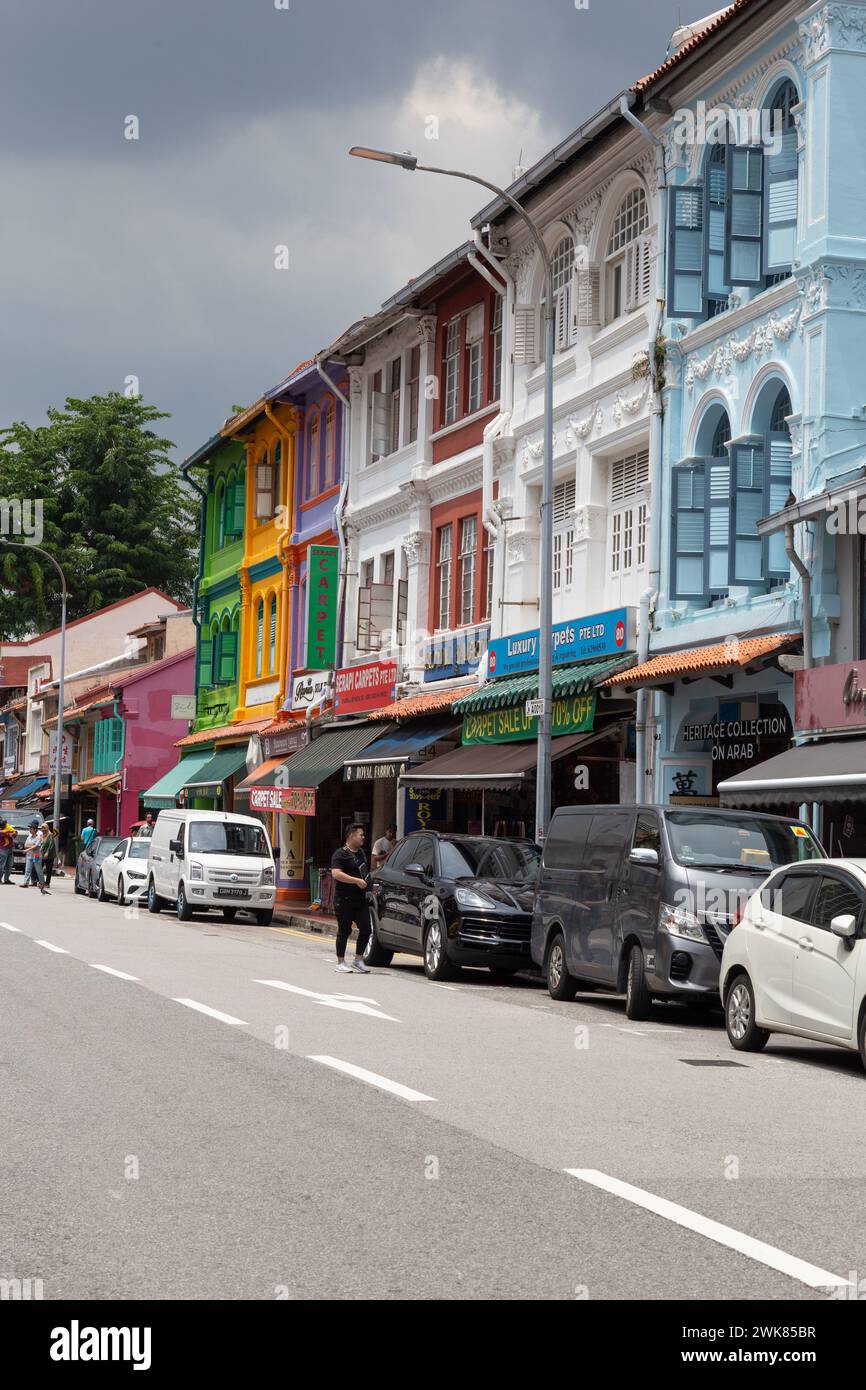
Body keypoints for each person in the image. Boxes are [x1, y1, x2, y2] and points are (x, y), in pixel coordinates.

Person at [330, 823, 373, 974]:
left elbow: (364, 873)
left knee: (366, 928)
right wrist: (355, 881)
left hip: (360, 900)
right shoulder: (339, 854)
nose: (363, 837)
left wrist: (371, 887)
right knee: (344, 930)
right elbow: (336, 873)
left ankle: (358, 960)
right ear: (351, 836)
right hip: (344, 899)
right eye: (360, 835)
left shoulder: (360, 853)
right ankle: (340, 962)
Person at [21, 820, 47, 894]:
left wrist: (28, 848)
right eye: (29, 829)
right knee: (27, 869)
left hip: (36, 855)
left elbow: (36, 846)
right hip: (29, 855)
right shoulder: (29, 837)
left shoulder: (39, 837)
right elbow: (25, 845)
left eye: (31, 829)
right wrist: (31, 846)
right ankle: (25, 883)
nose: (30, 830)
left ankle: (42, 883)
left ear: (35, 829)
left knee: (38, 870)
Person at [41, 822, 57, 887]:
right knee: (39, 867)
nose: (43, 829)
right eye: (42, 828)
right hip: (42, 854)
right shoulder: (41, 835)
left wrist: (47, 852)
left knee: (48, 869)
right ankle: (41, 881)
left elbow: (51, 845)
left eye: (44, 828)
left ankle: (47, 883)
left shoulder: (50, 835)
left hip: (49, 855)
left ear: (47, 828)